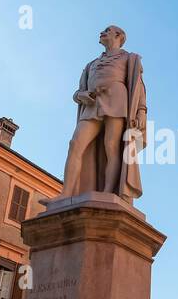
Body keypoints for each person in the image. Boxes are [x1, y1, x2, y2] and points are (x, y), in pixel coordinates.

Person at [61, 25, 147, 202]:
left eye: (107, 30)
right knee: (75, 144)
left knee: (112, 146)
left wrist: (141, 111)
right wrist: (82, 95)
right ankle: (66, 194)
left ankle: (108, 192)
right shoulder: (91, 64)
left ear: (118, 35)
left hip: (117, 100)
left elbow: (139, 88)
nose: (102, 32)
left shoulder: (130, 59)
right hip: (92, 104)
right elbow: (77, 93)